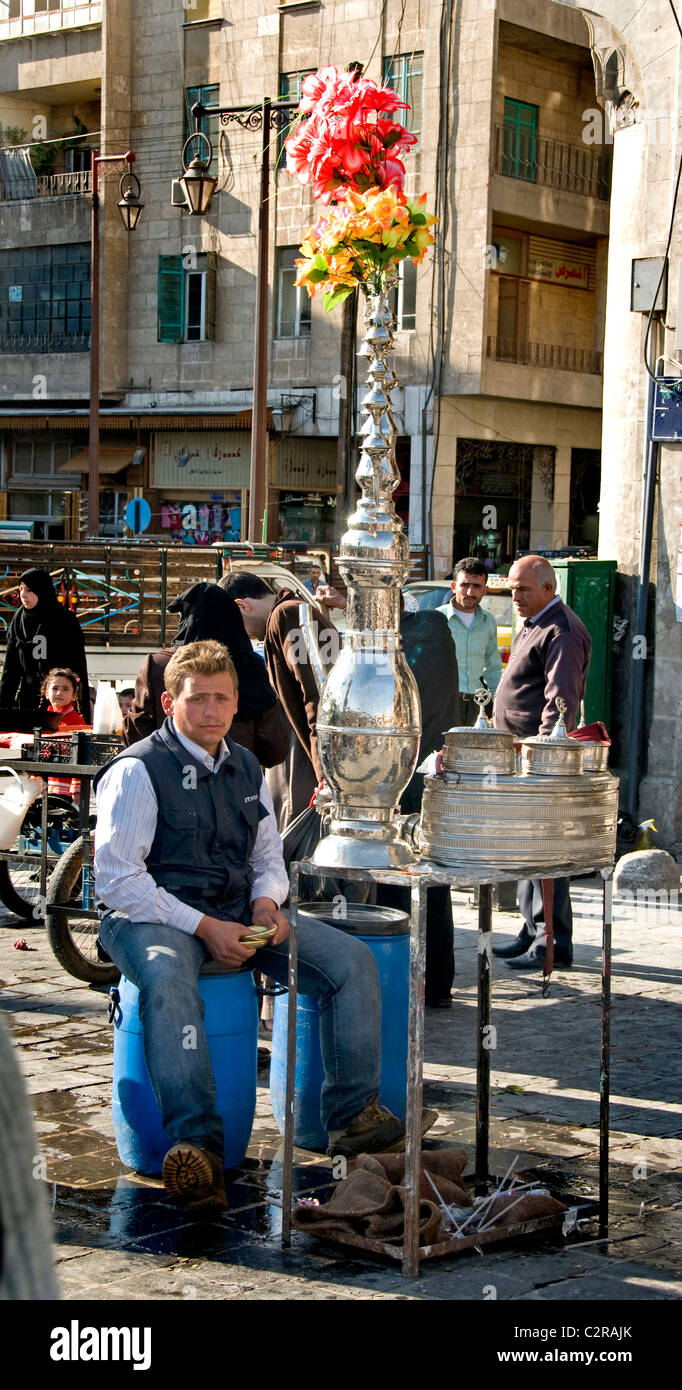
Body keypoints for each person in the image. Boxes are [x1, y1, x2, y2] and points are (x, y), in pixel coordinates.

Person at [94, 640, 434, 1210]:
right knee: (169, 981)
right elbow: (118, 882)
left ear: (234, 704)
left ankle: (353, 1118)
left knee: (351, 962)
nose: (211, 712)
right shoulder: (136, 771)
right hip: (146, 917)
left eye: (221, 699)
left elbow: (267, 857)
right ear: (168, 702)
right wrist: (204, 927)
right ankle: (197, 1148)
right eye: (197, 699)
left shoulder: (246, 764)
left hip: (234, 913)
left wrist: (267, 907)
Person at [492, 554, 592, 970]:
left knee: (545, 850)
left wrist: (541, 756)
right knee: (525, 848)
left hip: (536, 758)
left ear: (548, 589)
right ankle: (531, 930)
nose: (515, 596)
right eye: (512, 588)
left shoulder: (561, 631)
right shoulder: (536, 622)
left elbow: (560, 702)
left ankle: (552, 941)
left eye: (523, 589)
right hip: (517, 752)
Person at [376, 599, 460, 1007]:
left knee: (399, 878)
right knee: (432, 880)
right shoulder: (437, 633)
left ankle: (408, 982)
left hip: (402, 779)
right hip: (432, 775)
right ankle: (436, 983)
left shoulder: (408, 643)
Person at [122, 581, 289, 768]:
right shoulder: (250, 666)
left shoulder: (158, 665)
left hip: (170, 780)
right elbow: (274, 750)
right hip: (235, 781)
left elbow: (136, 736)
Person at [221, 571, 339, 828]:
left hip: (309, 756)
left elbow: (318, 693)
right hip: (310, 750)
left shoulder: (288, 615)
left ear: (241, 605)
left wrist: (324, 770)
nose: (245, 635)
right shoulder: (291, 613)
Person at [0, 568, 90, 721]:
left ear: (41, 591)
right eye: (21, 589)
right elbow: (11, 670)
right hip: (29, 700)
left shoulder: (64, 620)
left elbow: (78, 667)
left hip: (58, 701)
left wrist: (84, 713)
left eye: (29, 590)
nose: (23, 595)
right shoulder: (19, 619)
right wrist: (2, 709)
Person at [437, 558, 502, 725]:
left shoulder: (488, 621)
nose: (470, 592)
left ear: (485, 590)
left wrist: (500, 704)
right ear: (453, 587)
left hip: (477, 704)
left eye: (476, 586)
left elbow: (493, 667)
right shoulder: (437, 619)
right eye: (464, 585)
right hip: (444, 703)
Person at [40, 667, 87, 799]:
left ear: (74, 695)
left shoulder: (77, 724)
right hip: (44, 786)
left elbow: (82, 758)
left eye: (65, 689)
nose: (59, 693)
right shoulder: (44, 719)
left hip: (66, 791)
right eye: (55, 688)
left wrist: (76, 789)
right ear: (46, 693)